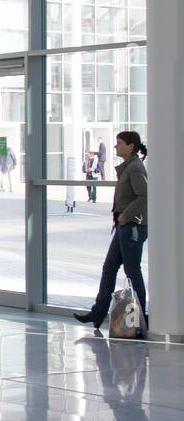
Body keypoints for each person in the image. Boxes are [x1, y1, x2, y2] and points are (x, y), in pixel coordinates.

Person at [75, 131, 149, 331]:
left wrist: (125, 215)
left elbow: (144, 195)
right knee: (109, 269)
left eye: (119, 143)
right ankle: (98, 313)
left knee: (132, 271)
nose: (115, 147)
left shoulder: (135, 168)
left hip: (132, 226)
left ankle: (140, 319)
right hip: (123, 226)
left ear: (131, 146)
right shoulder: (128, 167)